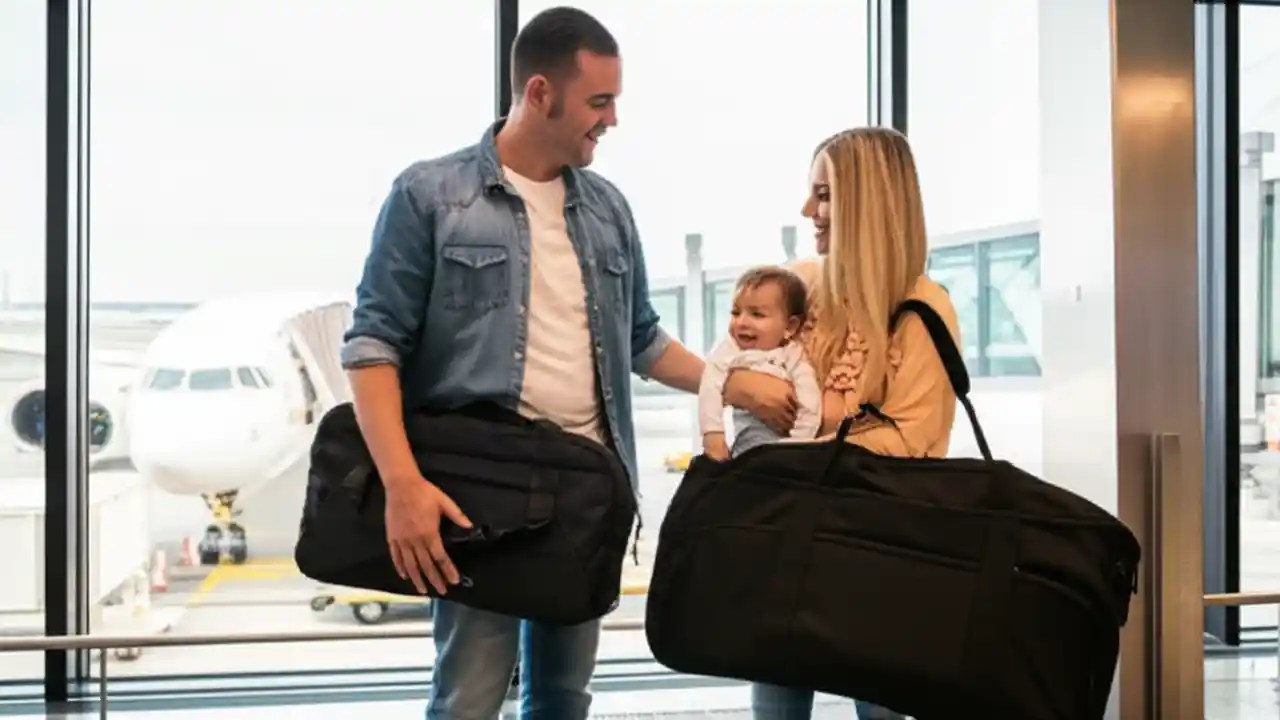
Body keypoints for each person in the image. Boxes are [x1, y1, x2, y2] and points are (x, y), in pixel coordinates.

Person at [338, 7, 704, 719]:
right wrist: (403, 485)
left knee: (564, 699)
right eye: (600, 102)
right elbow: (373, 345)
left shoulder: (608, 210)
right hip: (478, 498)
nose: (613, 120)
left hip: (585, 497)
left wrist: (731, 381)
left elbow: (641, 340)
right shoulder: (430, 196)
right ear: (540, 94)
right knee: (470, 701)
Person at [725, 127, 960, 719]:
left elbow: (911, 441)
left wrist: (801, 441)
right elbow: (735, 363)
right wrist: (740, 384)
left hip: (877, 549)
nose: (809, 210)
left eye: (824, 194)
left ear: (870, 202)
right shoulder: (801, 282)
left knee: (879, 705)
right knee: (777, 696)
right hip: (791, 541)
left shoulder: (923, 307)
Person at [698, 265, 822, 461]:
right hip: (749, 442)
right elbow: (709, 387)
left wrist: (797, 445)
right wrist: (713, 436)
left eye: (757, 314)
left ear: (790, 326)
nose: (742, 322)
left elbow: (810, 403)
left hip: (791, 443)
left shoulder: (794, 354)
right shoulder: (730, 349)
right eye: (736, 312)